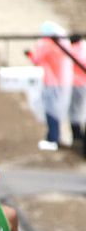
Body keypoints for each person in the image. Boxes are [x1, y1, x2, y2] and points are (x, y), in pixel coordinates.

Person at [26, 23, 71, 151]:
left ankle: (53, 138)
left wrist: (29, 54)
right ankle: (53, 136)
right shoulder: (61, 46)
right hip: (60, 82)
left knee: (50, 111)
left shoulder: (46, 45)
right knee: (55, 110)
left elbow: (36, 59)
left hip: (48, 82)